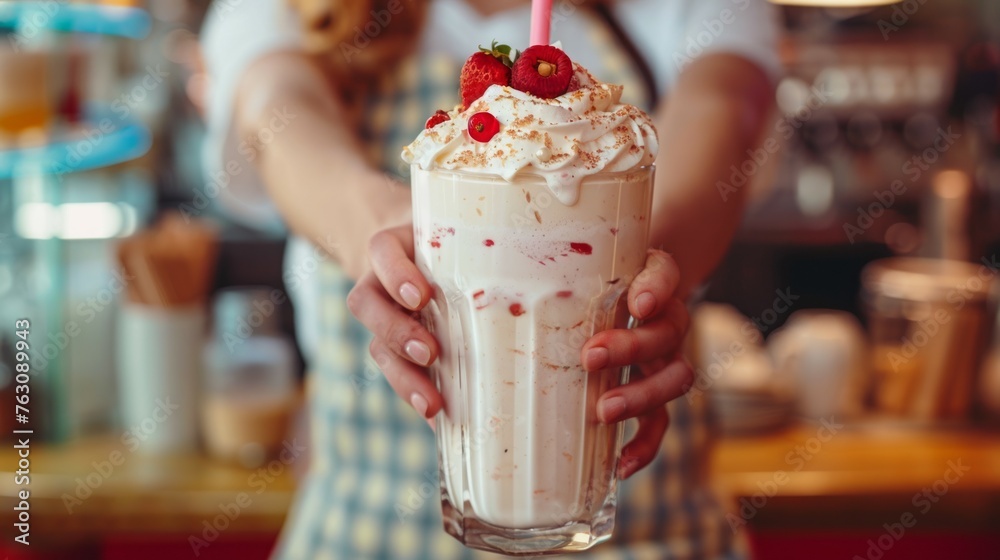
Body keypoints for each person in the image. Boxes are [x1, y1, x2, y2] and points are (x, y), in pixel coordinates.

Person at [200, 0, 779, 558]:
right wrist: (395, 237)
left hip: (649, 540)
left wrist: (641, 273)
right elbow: (277, 111)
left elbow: (723, 109)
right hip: (367, 535)